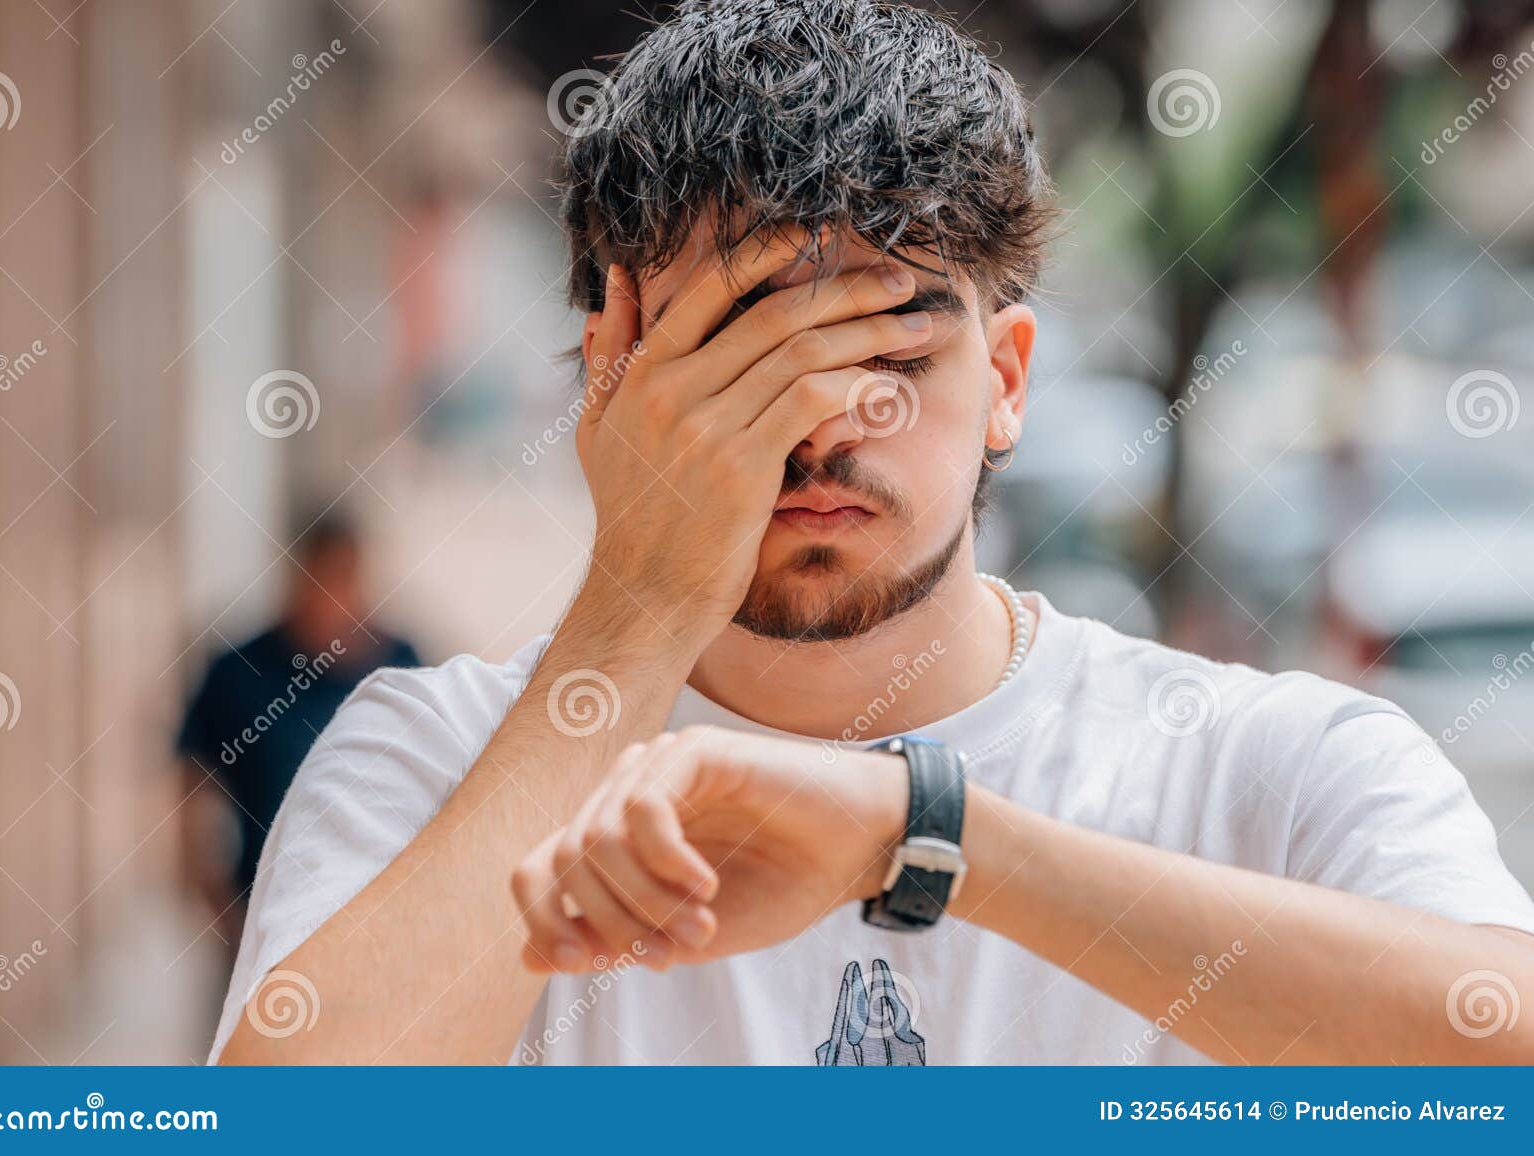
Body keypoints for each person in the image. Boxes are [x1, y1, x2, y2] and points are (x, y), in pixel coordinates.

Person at [213, 0, 1534, 1065]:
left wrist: (924, 834)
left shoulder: (1264, 768)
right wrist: (634, 609)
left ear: (1008, 379)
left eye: (888, 349)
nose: (821, 424)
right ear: (606, 373)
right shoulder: (424, 762)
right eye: (737, 355)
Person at [176, 513, 420, 951]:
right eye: (318, 580)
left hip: (380, 920)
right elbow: (193, 793)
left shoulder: (402, 668)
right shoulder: (237, 673)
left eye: (344, 578)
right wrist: (219, 912)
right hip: (266, 921)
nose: (331, 600)